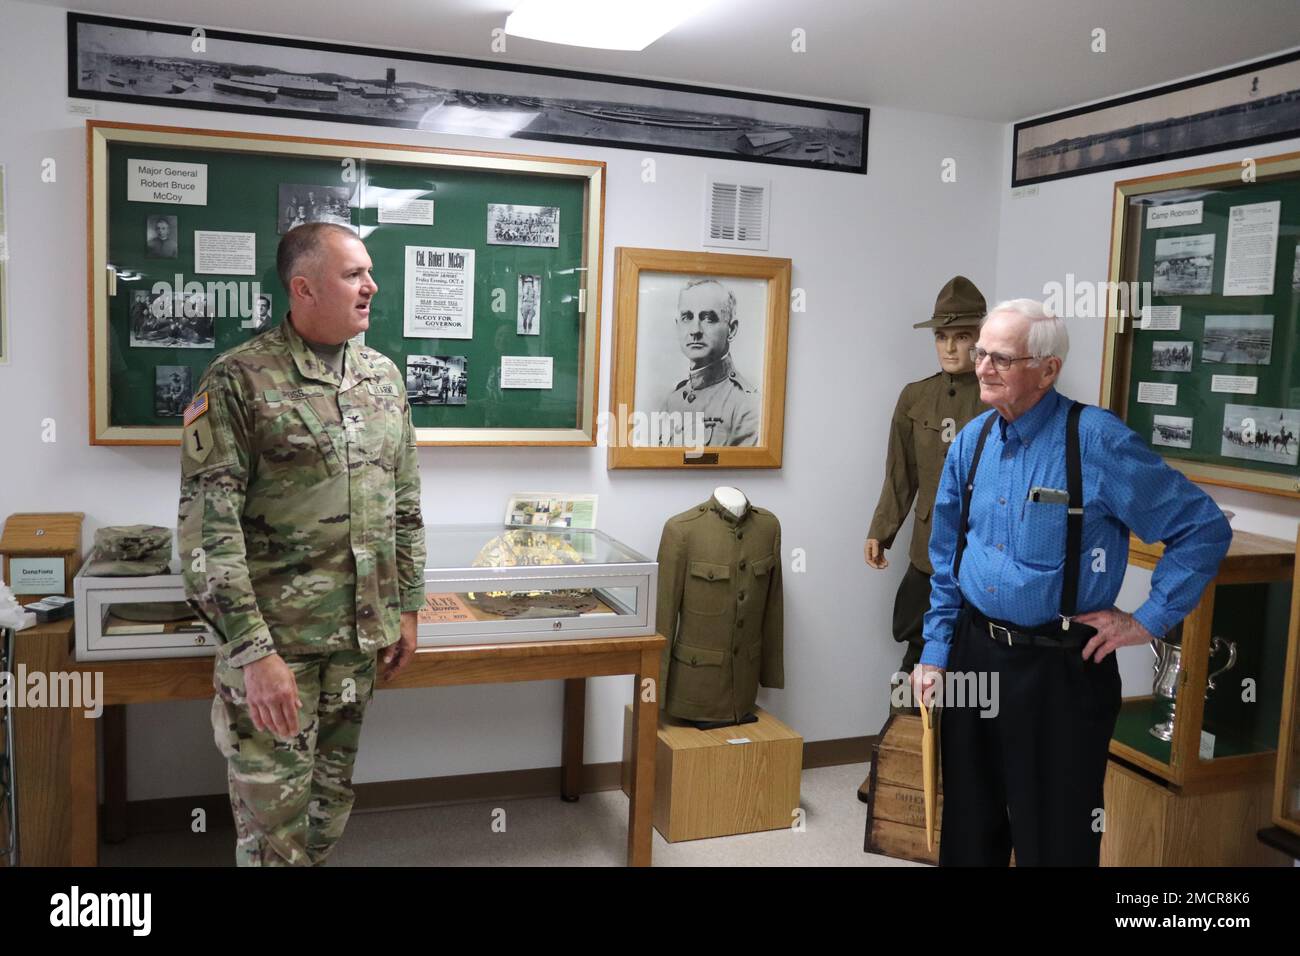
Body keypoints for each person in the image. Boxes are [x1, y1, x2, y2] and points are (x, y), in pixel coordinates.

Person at [912, 299, 1231, 866]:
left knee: (1056, 840)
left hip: (1059, 670)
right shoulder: (973, 440)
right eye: (981, 352)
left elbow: (1201, 528)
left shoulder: (1097, 442)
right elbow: (947, 554)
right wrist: (935, 653)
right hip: (973, 653)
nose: (982, 366)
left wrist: (1148, 620)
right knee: (969, 829)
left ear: (1048, 369)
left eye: (1001, 358)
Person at [178, 222, 426, 866]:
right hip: (276, 651)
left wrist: (407, 608)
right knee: (272, 831)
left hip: (357, 643)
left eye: (369, 273)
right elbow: (208, 532)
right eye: (353, 275)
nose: (371, 286)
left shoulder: (383, 379)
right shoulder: (238, 380)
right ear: (303, 287)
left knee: (326, 813)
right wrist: (254, 655)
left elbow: (404, 505)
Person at [864, 276, 988, 704]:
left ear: (981, 338)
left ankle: (959, 758)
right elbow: (901, 475)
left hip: (984, 549)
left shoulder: (1001, 399)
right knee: (917, 650)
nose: (950, 347)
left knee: (975, 658)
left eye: (962, 336)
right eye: (942, 337)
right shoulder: (915, 398)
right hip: (928, 548)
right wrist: (881, 531)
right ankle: (903, 748)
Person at [657, 278, 760, 447]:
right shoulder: (672, 401)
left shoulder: (747, 406)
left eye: (708, 318)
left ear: (731, 329)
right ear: (677, 326)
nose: (695, 330)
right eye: (687, 317)